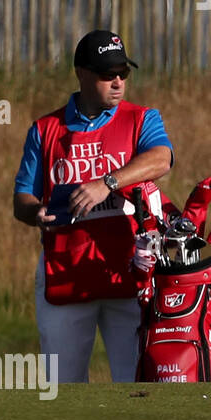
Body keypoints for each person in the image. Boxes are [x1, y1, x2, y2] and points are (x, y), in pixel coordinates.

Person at [12, 30, 174, 383]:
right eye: (106, 74)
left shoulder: (141, 118)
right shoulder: (45, 130)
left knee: (136, 386)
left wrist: (107, 183)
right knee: (63, 388)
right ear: (81, 74)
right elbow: (22, 198)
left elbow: (161, 159)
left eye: (123, 73)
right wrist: (34, 213)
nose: (117, 82)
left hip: (131, 273)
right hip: (65, 272)